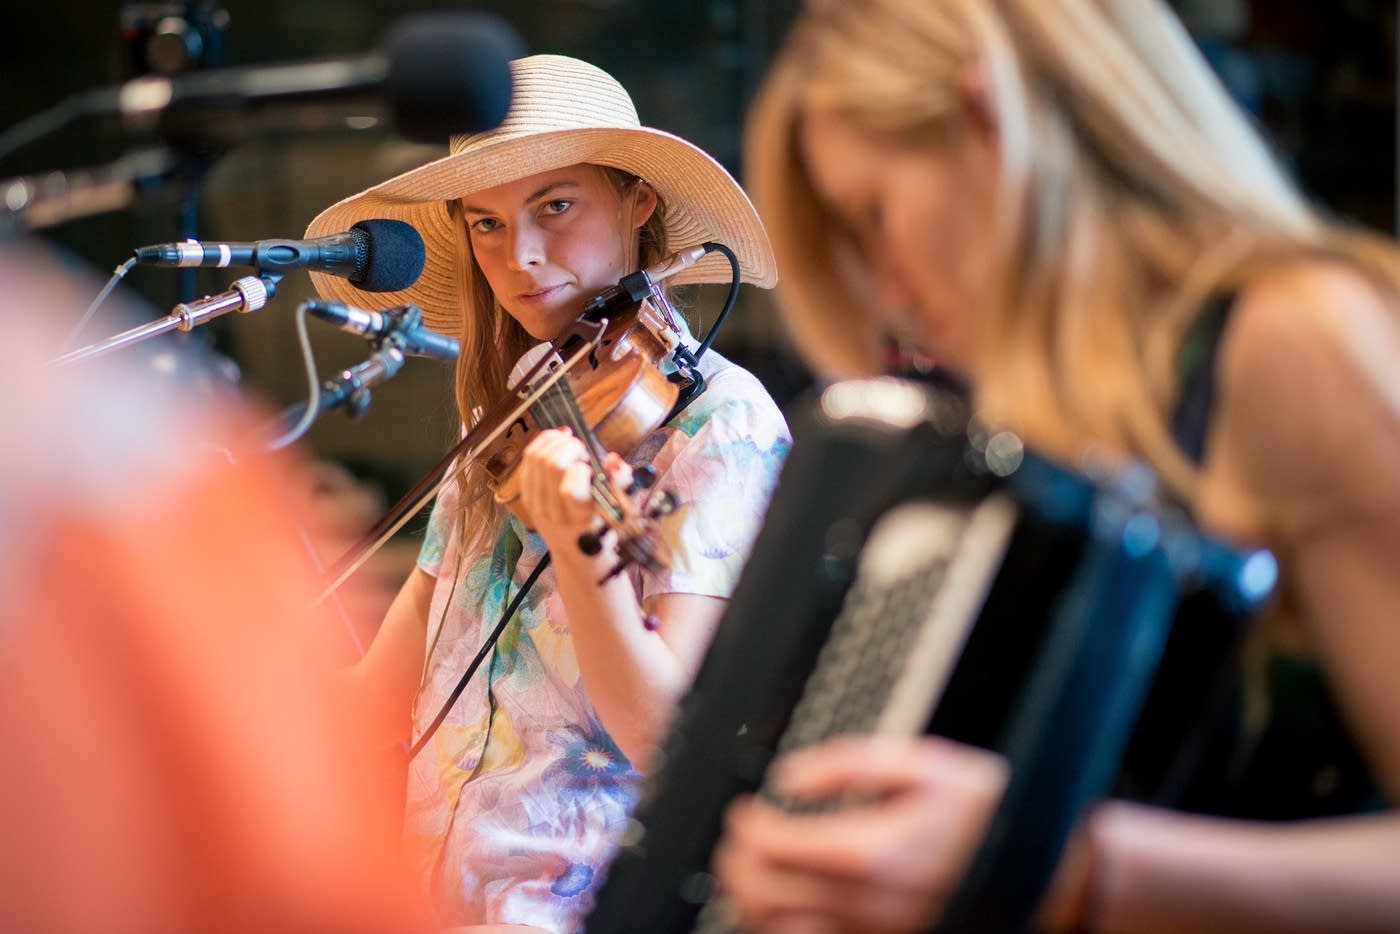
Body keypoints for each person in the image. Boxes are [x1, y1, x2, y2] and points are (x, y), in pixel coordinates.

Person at [714, 0, 1400, 931]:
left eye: (872, 216)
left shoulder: (1294, 337)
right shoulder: (1042, 430)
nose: (883, 293)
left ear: (992, 121)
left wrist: (1062, 867)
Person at [303, 54, 791, 932]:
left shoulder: (723, 423)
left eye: (555, 206)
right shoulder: (503, 424)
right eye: (485, 224)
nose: (519, 255)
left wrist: (580, 552)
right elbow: (379, 695)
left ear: (638, 199)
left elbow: (665, 740)